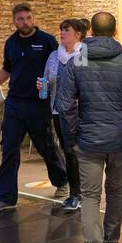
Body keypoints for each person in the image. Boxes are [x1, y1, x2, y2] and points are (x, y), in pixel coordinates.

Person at [57, 12, 122, 243]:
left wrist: (72, 137)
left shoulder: (77, 61)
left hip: (88, 140)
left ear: (91, 31)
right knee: (116, 191)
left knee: (91, 196)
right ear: (115, 31)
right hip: (118, 138)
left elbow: (65, 105)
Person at [0, 3, 68, 212]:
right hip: (15, 103)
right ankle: (5, 197)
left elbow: (57, 68)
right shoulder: (11, 43)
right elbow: (7, 69)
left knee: (46, 146)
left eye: (28, 18)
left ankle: (62, 181)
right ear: (14, 21)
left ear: (32, 18)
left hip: (39, 103)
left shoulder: (47, 41)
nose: (25, 22)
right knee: (9, 148)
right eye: (20, 19)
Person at [43, 18, 87, 213]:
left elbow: (84, 83)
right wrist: (43, 86)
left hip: (78, 111)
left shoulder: (83, 54)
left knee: (77, 152)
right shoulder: (54, 55)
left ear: (78, 34)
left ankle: (81, 193)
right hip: (57, 109)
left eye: (66, 30)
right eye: (61, 30)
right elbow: (45, 80)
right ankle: (74, 192)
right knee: (67, 151)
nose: (62, 34)